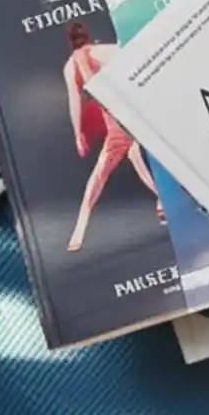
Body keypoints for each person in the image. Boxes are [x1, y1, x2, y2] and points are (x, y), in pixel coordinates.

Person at [63, 21, 163, 252]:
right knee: (135, 152)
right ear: (87, 36)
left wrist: (79, 134)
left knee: (104, 172)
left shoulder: (71, 67)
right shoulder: (102, 51)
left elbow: (75, 101)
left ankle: (79, 231)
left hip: (116, 118)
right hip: (126, 111)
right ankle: (163, 199)